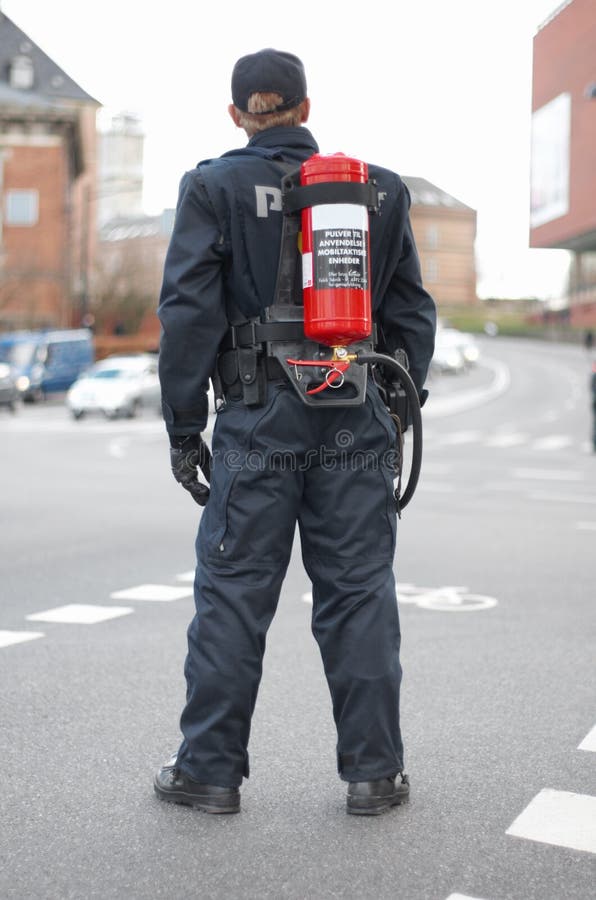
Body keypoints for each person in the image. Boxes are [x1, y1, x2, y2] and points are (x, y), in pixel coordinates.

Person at [154, 48, 436, 816]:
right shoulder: (377, 192)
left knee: (234, 599)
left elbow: (186, 315)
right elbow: (411, 314)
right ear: (307, 110)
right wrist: (396, 406)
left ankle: (208, 774)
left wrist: (185, 431)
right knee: (358, 597)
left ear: (238, 113)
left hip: (256, 423)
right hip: (357, 422)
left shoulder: (212, 186)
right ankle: (374, 775)